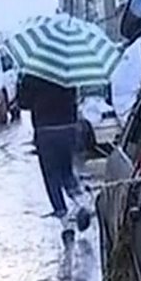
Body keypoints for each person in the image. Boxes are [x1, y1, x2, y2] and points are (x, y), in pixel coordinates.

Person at [18, 73, 92, 243]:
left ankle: (65, 222)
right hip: (68, 129)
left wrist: (23, 86)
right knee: (67, 171)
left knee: (51, 177)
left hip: (46, 131)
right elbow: (75, 97)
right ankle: (80, 202)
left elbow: (23, 103)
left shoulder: (34, 73)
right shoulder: (68, 71)